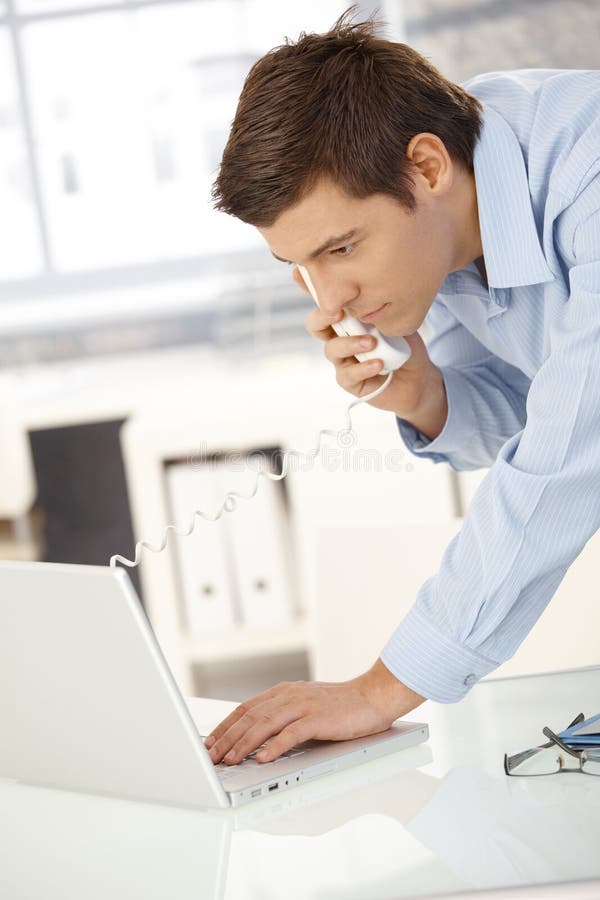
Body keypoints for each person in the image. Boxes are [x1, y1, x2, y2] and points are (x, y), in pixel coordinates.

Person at [204, 9, 600, 767]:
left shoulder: (587, 179)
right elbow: (534, 401)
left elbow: (567, 455)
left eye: (342, 248)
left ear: (426, 167)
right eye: (303, 267)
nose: (331, 301)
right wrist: (423, 395)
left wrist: (381, 689)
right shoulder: (447, 220)